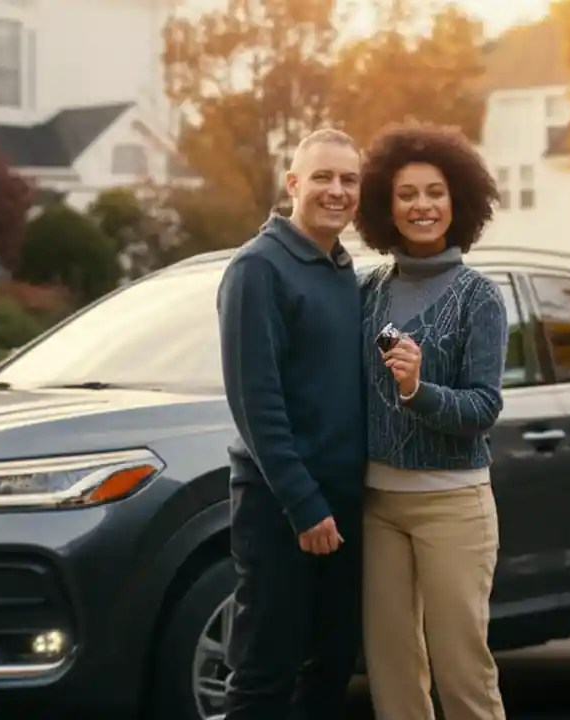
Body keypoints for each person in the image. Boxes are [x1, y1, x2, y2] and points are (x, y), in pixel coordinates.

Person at [354, 122, 508, 720]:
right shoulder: (369, 291)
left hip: (453, 505)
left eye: (435, 192)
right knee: (392, 675)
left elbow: (483, 409)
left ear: (457, 201)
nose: (422, 205)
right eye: (407, 193)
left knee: (463, 671)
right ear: (386, 207)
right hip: (378, 505)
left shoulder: (479, 297)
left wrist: (418, 390)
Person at [216, 128, 367, 720]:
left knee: (330, 667)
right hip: (284, 510)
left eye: (349, 180)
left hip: (344, 504)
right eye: (323, 177)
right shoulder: (258, 269)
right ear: (294, 183)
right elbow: (257, 402)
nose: (336, 190)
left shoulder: (340, 268)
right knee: (264, 674)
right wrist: (305, 506)